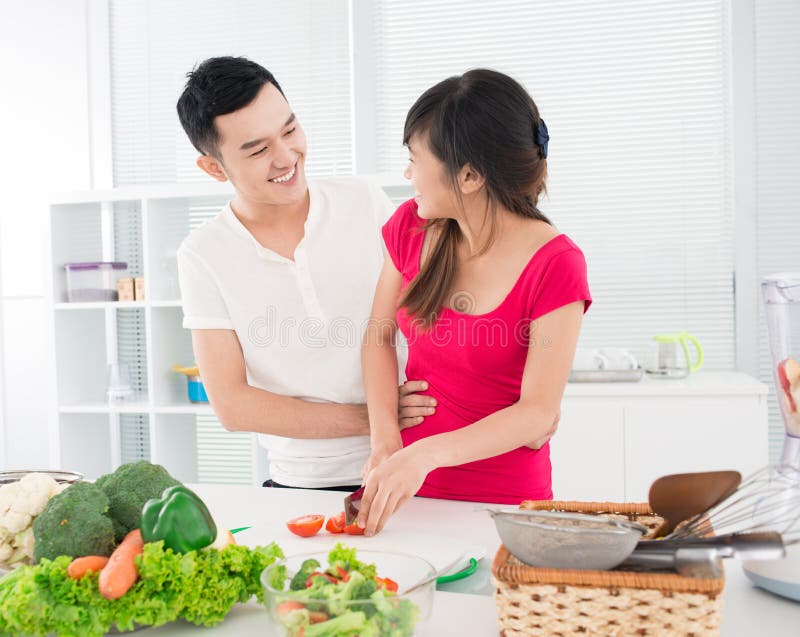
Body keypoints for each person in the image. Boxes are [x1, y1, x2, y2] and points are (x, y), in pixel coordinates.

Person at [175, 56, 434, 490]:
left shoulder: (363, 201)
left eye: (291, 130)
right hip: (301, 486)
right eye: (257, 150)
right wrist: (375, 418)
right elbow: (233, 405)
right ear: (214, 167)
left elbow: (440, 306)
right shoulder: (203, 255)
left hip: (415, 467)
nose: (286, 156)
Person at [358, 69, 592, 534]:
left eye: (415, 159)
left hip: (504, 504)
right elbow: (377, 338)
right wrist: (386, 440)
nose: (408, 175)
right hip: (407, 492)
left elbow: (537, 412)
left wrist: (425, 453)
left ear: (468, 175)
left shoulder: (557, 264)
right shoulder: (410, 227)